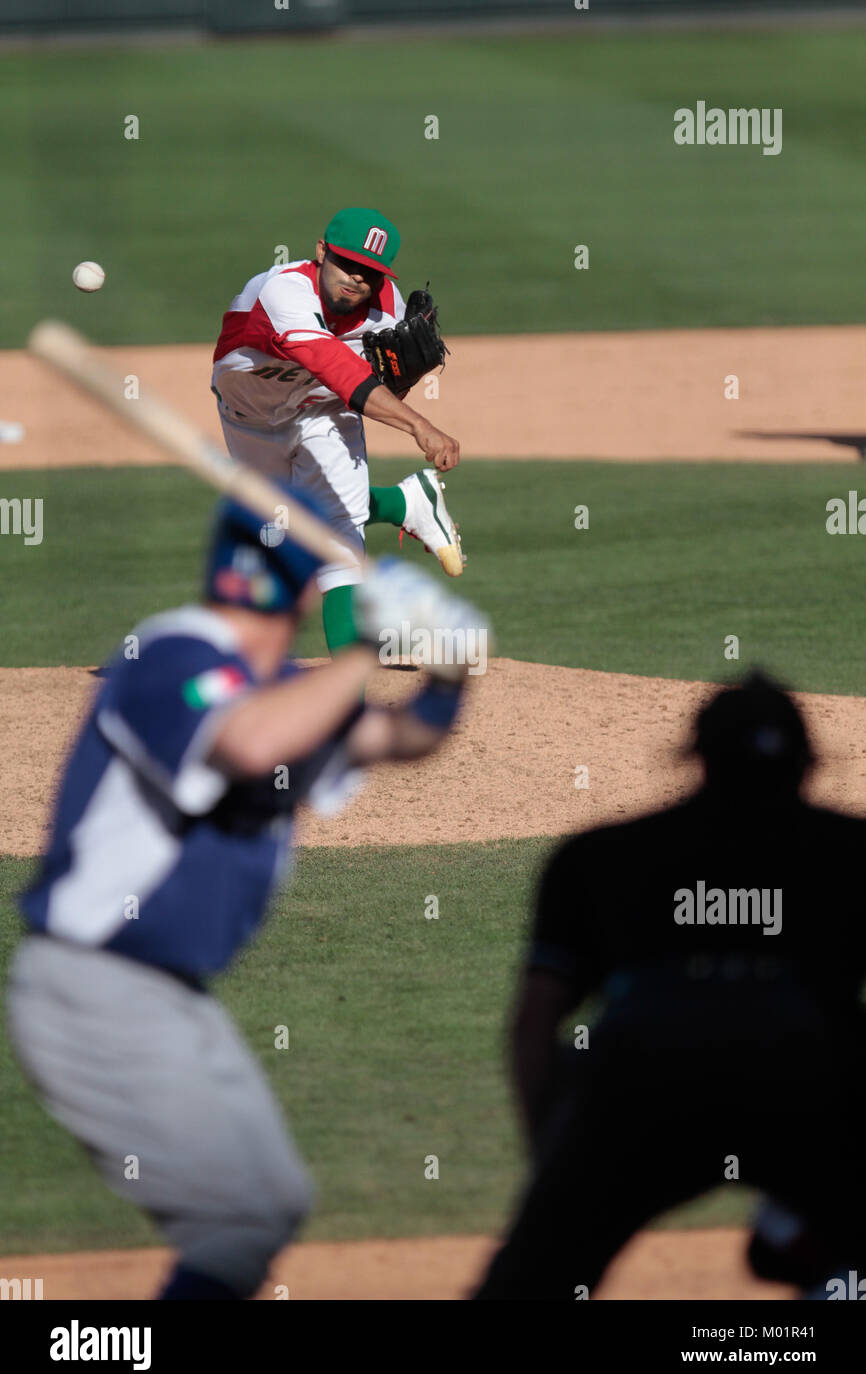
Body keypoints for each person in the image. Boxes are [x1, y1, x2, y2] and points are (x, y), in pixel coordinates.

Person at [7, 485, 486, 1301]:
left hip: (174, 999)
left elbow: (400, 738)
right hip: (92, 990)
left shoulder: (282, 700)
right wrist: (367, 650)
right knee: (236, 1222)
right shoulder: (171, 655)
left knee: (272, 1204)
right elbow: (250, 742)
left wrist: (449, 672)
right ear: (306, 592)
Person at [473, 672, 866, 1300]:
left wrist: (559, 1164)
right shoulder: (853, 851)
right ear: (809, 764)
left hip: (640, 1083)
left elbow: (533, 1022)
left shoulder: (598, 856)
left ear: (696, 759)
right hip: (807, 1079)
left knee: (530, 1285)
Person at [212, 206, 465, 653]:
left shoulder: (389, 310)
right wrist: (419, 426)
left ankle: (348, 708)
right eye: (346, 264)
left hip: (323, 412)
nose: (356, 280)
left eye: (369, 273)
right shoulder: (282, 291)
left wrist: (403, 389)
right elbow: (334, 366)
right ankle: (404, 501)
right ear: (321, 252)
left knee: (339, 551)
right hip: (247, 416)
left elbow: (376, 387)